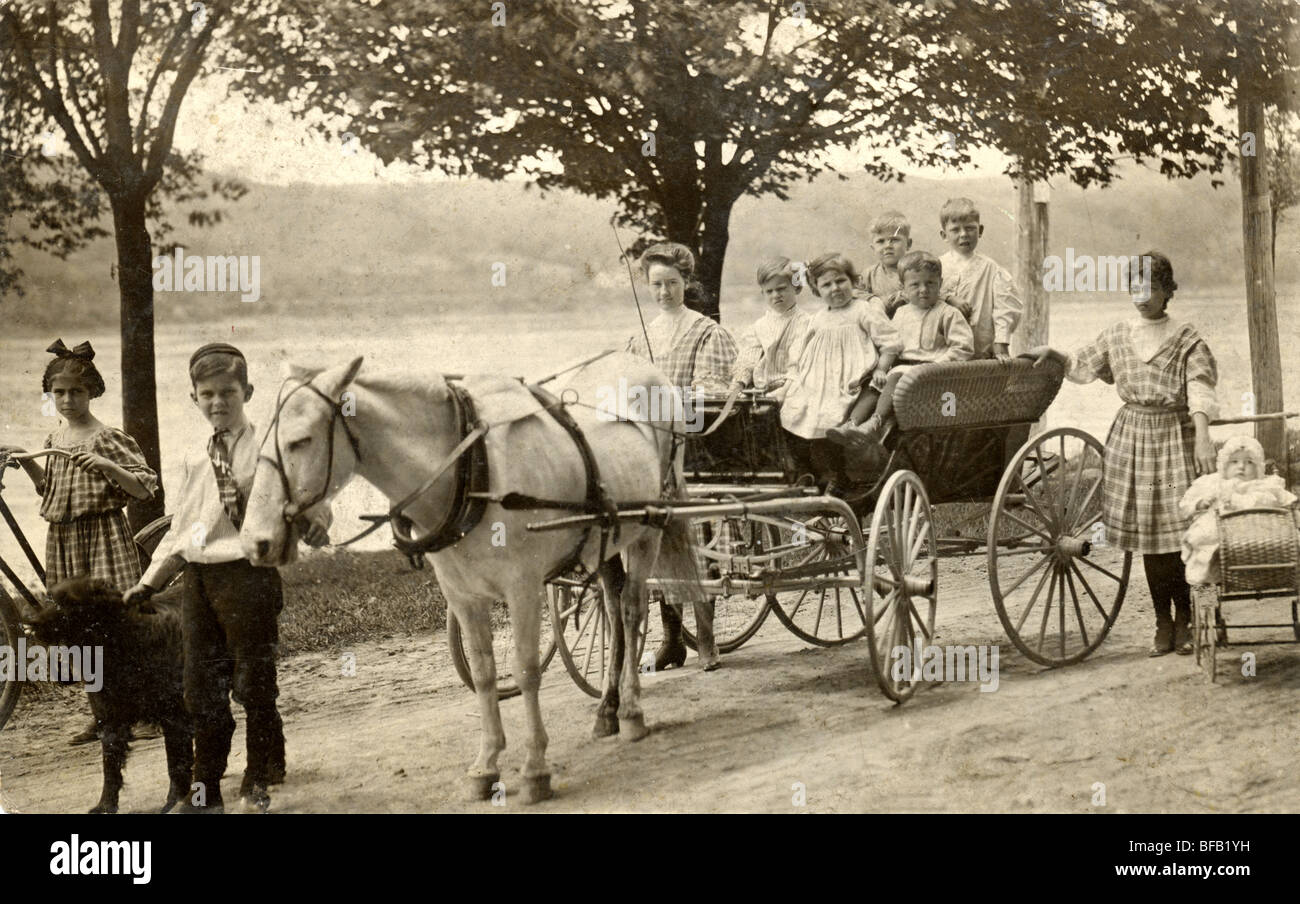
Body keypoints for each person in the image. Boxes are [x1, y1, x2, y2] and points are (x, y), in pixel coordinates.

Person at [123, 343, 330, 813]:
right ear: (194, 398)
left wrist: (317, 522)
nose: (218, 403)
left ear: (248, 392)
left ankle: (259, 772)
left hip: (249, 575)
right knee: (200, 687)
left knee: (254, 679)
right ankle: (206, 789)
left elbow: (310, 498)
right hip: (198, 580)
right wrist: (151, 582)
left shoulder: (269, 449)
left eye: (229, 393)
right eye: (207, 394)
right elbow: (182, 530)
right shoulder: (195, 458)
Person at [1029, 252, 1218, 657]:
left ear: (1168, 291)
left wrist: (1202, 437)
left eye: (1151, 287)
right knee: (1149, 536)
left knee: (1175, 531)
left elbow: (1201, 388)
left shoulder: (1187, 337)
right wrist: (1056, 354)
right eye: (1135, 286)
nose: (1142, 295)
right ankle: (1161, 622)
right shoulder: (1117, 334)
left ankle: (1185, 618)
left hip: (1173, 437)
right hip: (1132, 438)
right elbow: (1082, 367)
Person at [0, 339, 158, 745]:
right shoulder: (56, 438)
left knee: (115, 625)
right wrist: (27, 457)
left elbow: (144, 489)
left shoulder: (106, 438)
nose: (68, 400)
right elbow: (48, 489)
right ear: (50, 395)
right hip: (65, 541)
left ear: (93, 393)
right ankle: (103, 715)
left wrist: (107, 465)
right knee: (79, 629)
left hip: (103, 537)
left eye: (76, 392)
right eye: (59, 393)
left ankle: (140, 714)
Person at [625, 243, 737, 672]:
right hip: (650, 450)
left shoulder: (706, 332)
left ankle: (706, 637)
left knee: (692, 539)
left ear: (687, 283)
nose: (664, 292)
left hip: (697, 449)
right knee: (648, 537)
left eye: (673, 283)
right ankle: (671, 638)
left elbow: (712, 395)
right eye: (656, 284)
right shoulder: (641, 336)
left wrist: (668, 402)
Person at [778, 253, 900, 496]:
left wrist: (881, 368)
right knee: (795, 411)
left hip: (852, 379)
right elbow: (802, 351)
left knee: (829, 416)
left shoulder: (863, 310)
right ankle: (809, 473)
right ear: (817, 291)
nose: (835, 288)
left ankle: (838, 477)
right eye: (826, 284)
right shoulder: (819, 318)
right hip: (818, 381)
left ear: (852, 281)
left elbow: (890, 343)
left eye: (840, 281)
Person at [830, 251, 974, 448]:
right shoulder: (901, 313)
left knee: (897, 378)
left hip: (933, 375)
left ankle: (875, 423)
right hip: (901, 370)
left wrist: (939, 366)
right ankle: (851, 424)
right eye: (915, 285)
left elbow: (963, 347)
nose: (923, 290)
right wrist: (880, 369)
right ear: (904, 288)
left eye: (930, 283)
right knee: (873, 382)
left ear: (940, 283)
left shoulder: (948, 314)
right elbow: (892, 343)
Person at [1180, 436, 1296, 586]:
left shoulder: (1265, 484)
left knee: (1283, 537)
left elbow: (1281, 501)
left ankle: (1274, 571)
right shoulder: (1214, 484)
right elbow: (1187, 504)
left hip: (1258, 529)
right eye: (1234, 462)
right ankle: (1217, 572)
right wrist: (1201, 503)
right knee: (1205, 540)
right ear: (1224, 465)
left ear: (1259, 467)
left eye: (1249, 462)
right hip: (1221, 530)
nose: (1241, 466)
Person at [937, 197, 1022, 360]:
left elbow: (1005, 309)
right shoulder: (935, 266)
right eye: (955, 230)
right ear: (944, 235)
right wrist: (948, 298)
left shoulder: (992, 270)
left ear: (980, 230)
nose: (963, 235)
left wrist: (1001, 344)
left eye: (970, 228)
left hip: (979, 350)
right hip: (942, 351)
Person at [729, 257, 811, 395]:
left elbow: (799, 366)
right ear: (763, 293)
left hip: (794, 388)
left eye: (781, 289)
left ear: (796, 288)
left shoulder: (807, 323)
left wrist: (785, 391)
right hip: (762, 390)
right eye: (769, 291)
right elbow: (748, 359)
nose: (776, 295)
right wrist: (738, 383)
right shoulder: (759, 326)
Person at [860, 210, 913, 316]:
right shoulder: (869, 274)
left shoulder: (917, 269)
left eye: (894, 240)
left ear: (908, 244)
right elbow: (855, 293)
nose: (887, 246)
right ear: (873, 248)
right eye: (880, 241)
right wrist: (873, 300)